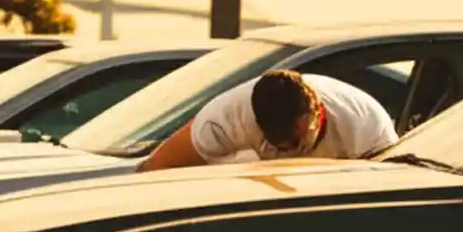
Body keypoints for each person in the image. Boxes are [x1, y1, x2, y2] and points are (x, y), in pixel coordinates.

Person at [138, 70, 397, 172]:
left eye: (297, 139)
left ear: (316, 110)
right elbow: (158, 168)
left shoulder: (365, 125)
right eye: (279, 143)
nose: (291, 149)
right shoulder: (228, 117)